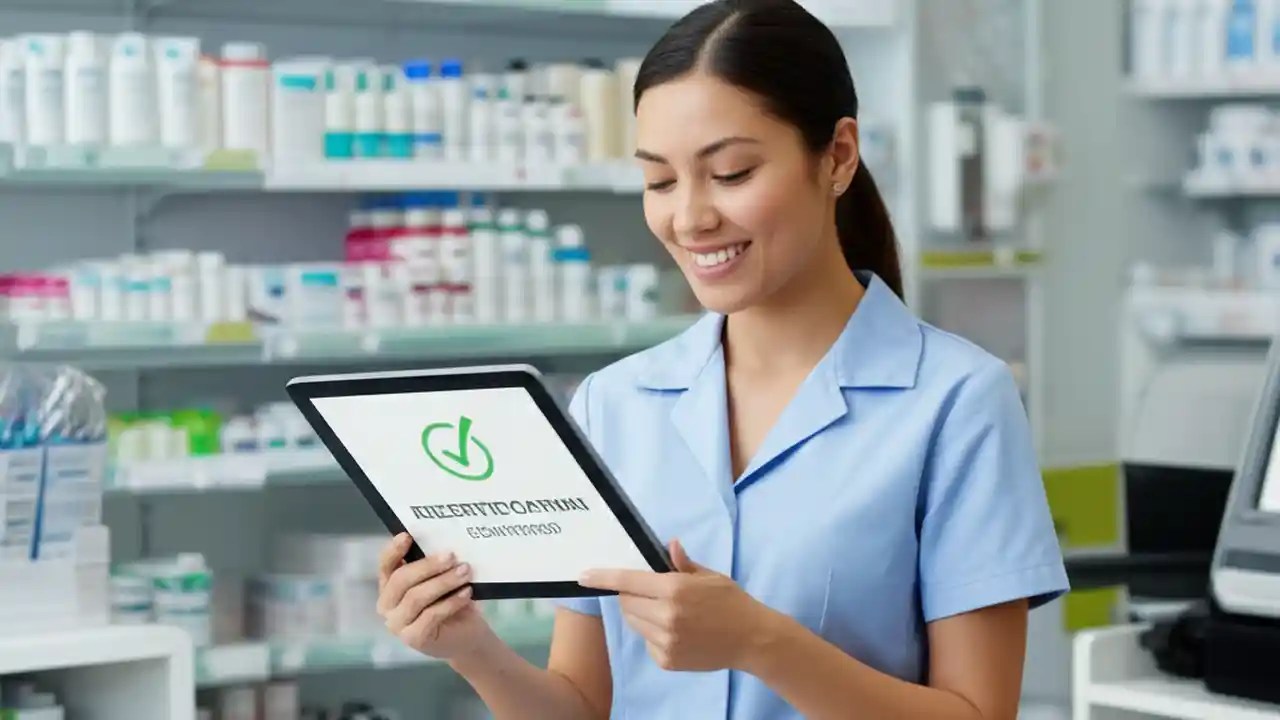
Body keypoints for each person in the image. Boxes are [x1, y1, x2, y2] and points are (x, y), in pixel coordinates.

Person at [374, 0, 1069, 717]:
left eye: (731, 172)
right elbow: (582, 704)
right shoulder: (616, 405)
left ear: (836, 156)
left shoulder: (956, 400)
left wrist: (761, 642)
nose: (690, 218)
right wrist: (470, 649)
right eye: (660, 181)